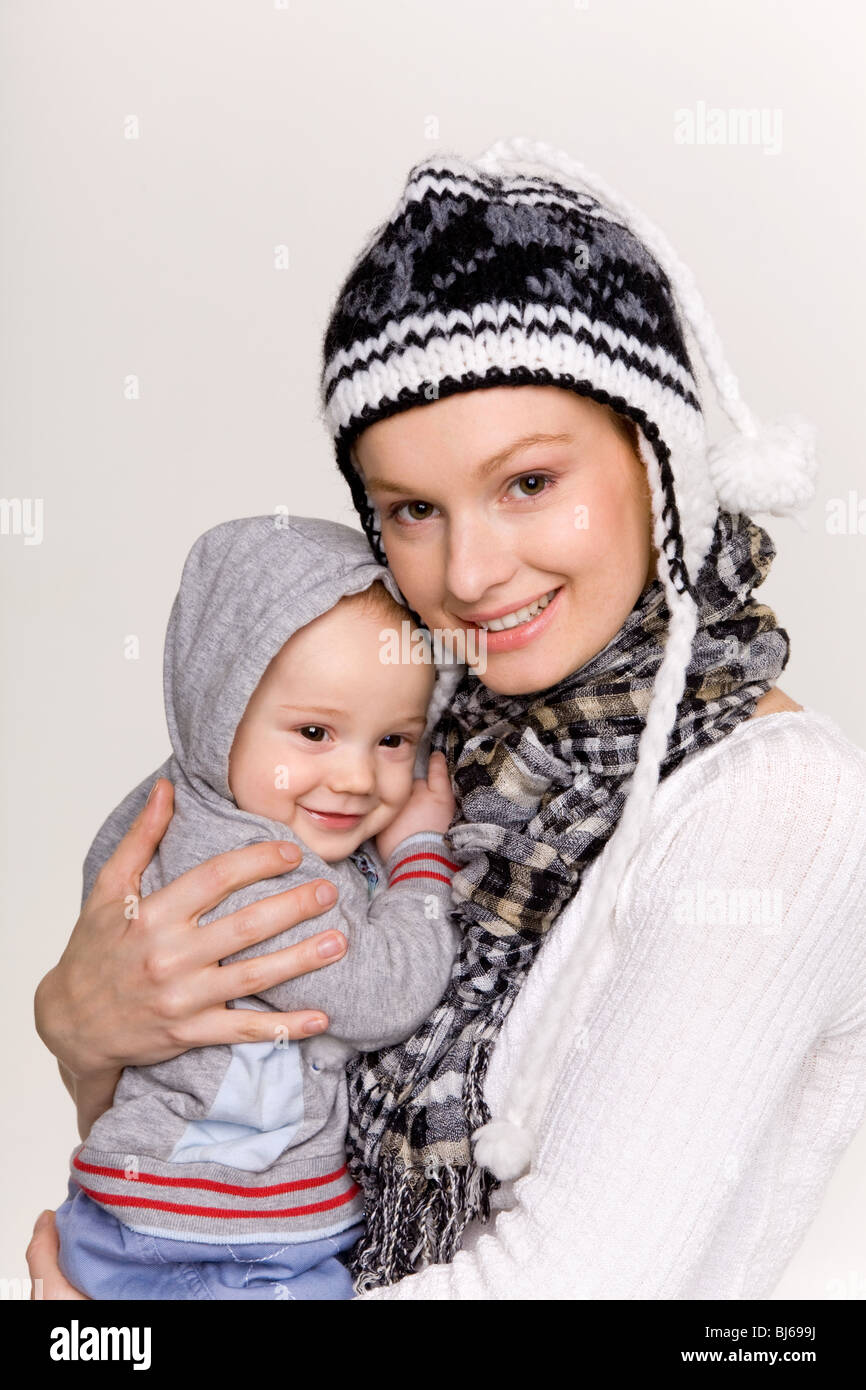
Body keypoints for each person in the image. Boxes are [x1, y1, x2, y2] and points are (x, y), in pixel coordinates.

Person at [29, 138, 866, 1300]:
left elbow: (576, 1282)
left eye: (528, 482)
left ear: (657, 457)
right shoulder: (423, 744)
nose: (467, 574)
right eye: (412, 508)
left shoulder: (775, 806)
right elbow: (236, 1111)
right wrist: (80, 1025)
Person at [50, 513, 459, 1299]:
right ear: (218, 709)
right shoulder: (253, 864)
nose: (356, 778)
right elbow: (381, 997)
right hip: (219, 1235)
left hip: (157, 1213)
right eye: (314, 731)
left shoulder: (167, 809)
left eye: (394, 740)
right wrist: (419, 858)